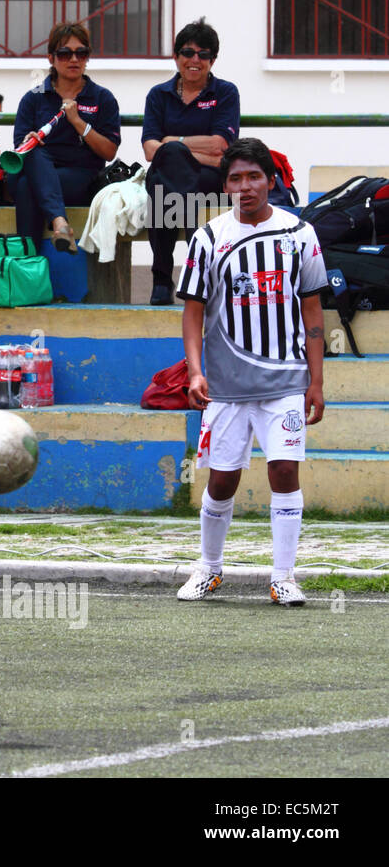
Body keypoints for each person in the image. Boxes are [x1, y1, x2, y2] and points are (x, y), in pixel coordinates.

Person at [175, 138, 327, 608]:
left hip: (285, 380)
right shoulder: (208, 238)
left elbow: (314, 310)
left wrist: (316, 381)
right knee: (222, 479)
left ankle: (283, 576)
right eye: (236, 178)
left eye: (253, 176)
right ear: (226, 186)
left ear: (271, 181)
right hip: (225, 384)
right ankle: (209, 569)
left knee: (284, 470)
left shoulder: (299, 233)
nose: (245, 186)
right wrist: (196, 372)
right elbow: (193, 313)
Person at [142, 18, 241, 305]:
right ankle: (194, 275)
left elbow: (221, 145)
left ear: (213, 60)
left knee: (162, 187)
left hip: (209, 177)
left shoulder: (225, 92)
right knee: (165, 177)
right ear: (176, 56)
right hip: (185, 180)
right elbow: (149, 150)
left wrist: (174, 143)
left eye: (204, 54)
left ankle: (162, 278)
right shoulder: (158, 95)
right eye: (187, 52)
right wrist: (183, 150)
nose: (194, 60)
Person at [9, 22, 120, 253]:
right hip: (40, 168)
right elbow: (19, 151)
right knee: (33, 152)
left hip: (81, 176)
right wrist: (28, 142)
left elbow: (109, 151)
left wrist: (78, 122)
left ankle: (29, 269)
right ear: (51, 58)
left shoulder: (102, 97)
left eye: (81, 53)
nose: (74, 59)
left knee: (27, 186)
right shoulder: (34, 98)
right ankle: (60, 222)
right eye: (64, 53)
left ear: (88, 57)